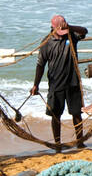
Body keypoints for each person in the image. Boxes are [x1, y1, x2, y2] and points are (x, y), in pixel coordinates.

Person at [31, 14, 88, 149]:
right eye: (60, 31)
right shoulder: (46, 43)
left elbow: (84, 31)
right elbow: (40, 65)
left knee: (76, 113)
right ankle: (57, 143)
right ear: (52, 28)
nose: (62, 34)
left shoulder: (71, 36)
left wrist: (69, 27)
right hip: (56, 84)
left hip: (73, 82)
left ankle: (80, 142)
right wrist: (36, 85)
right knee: (55, 115)